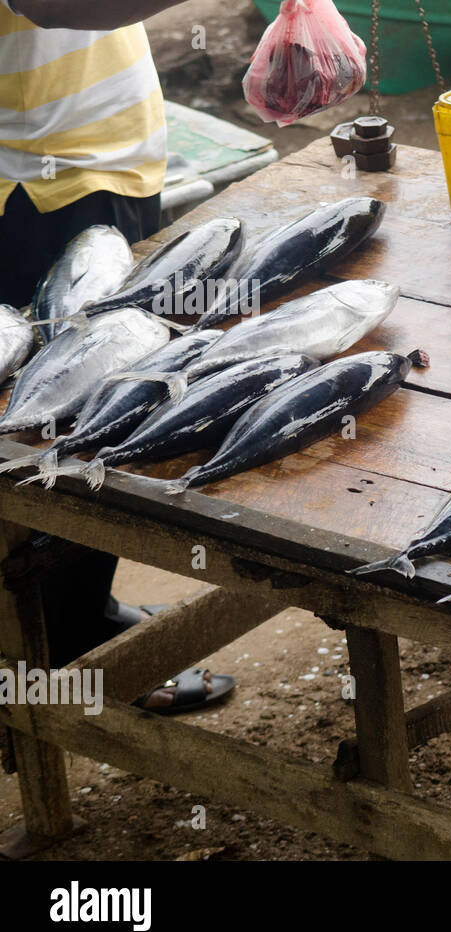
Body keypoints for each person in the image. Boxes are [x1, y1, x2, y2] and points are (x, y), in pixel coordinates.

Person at [2, 0, 234, 707]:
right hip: (38, 186)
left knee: (83, 406)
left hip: (98, 159)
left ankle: (78, 622)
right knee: (55, 420)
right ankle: (65, 653)